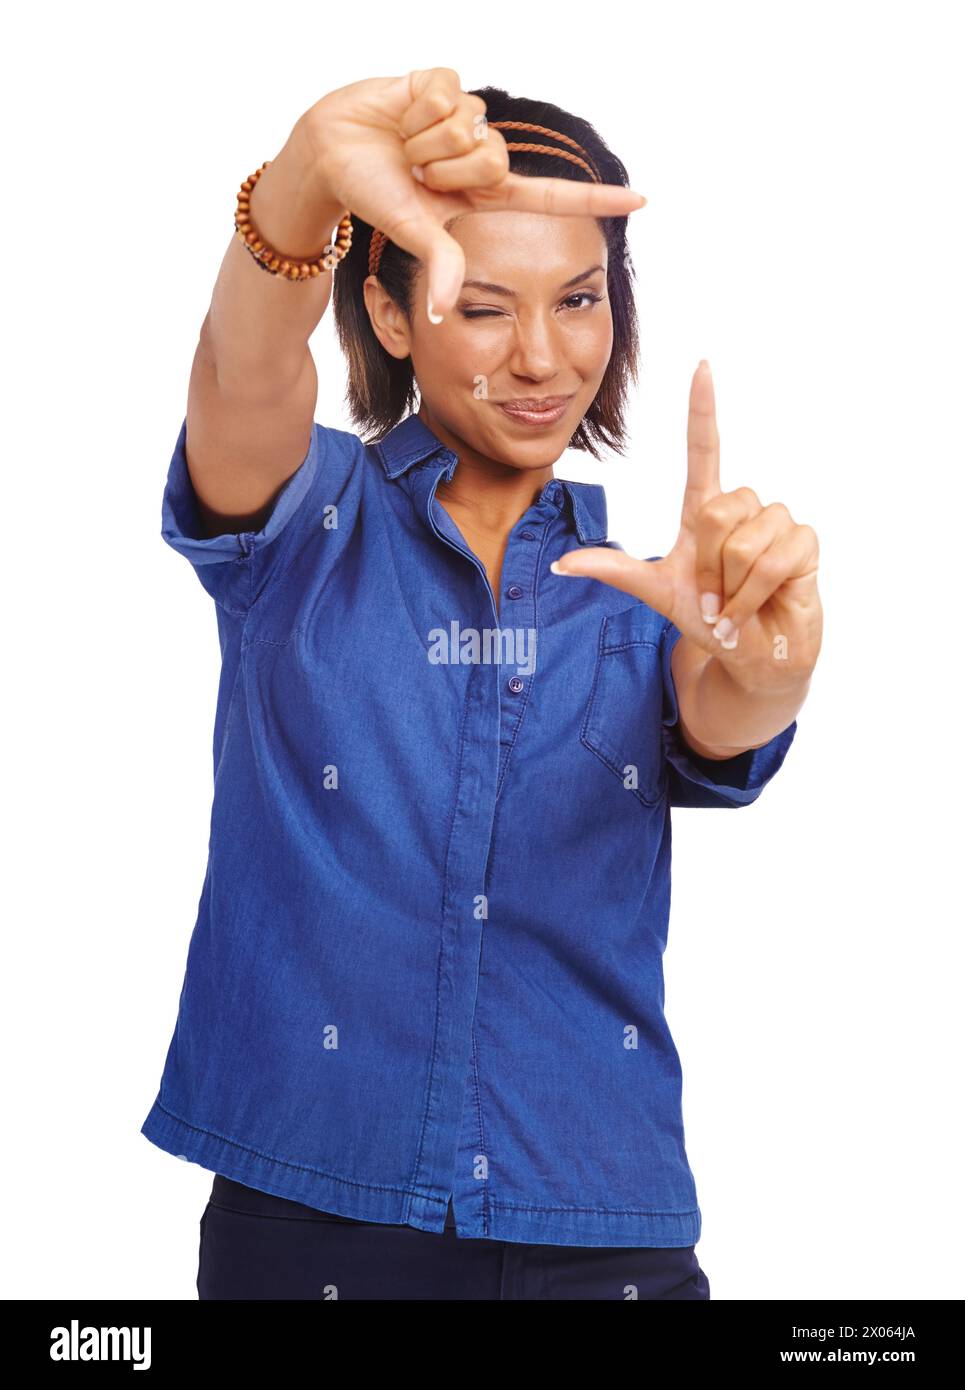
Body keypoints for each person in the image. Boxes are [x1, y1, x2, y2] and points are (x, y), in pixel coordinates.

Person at [141, 68, 822, 1301]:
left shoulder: (645, 583)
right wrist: (303, 176)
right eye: (483, 305)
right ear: (393, 317)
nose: (541, 357)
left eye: (577, 300)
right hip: (313, 1212)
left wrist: (769, 669)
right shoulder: (305, 519)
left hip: (597, 1219)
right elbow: (244, 370)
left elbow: (722, 715)